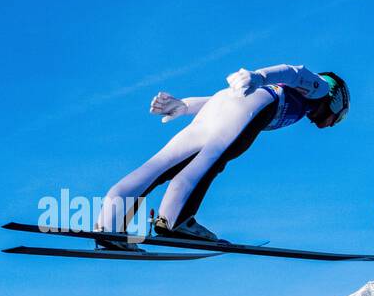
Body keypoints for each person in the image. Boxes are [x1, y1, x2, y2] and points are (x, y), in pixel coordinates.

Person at [94, 64, 348, 240]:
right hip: (252, 106)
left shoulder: (299, 101)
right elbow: (295, 72)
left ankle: (110, 221)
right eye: (340, 116)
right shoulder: (320, 89)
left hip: (221, 104)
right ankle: (174, 221)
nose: (332, 123)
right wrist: (259, 76)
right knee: (207, 164)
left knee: (162, 164)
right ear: (336, 101)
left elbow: (225, 98)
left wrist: (184, 106)